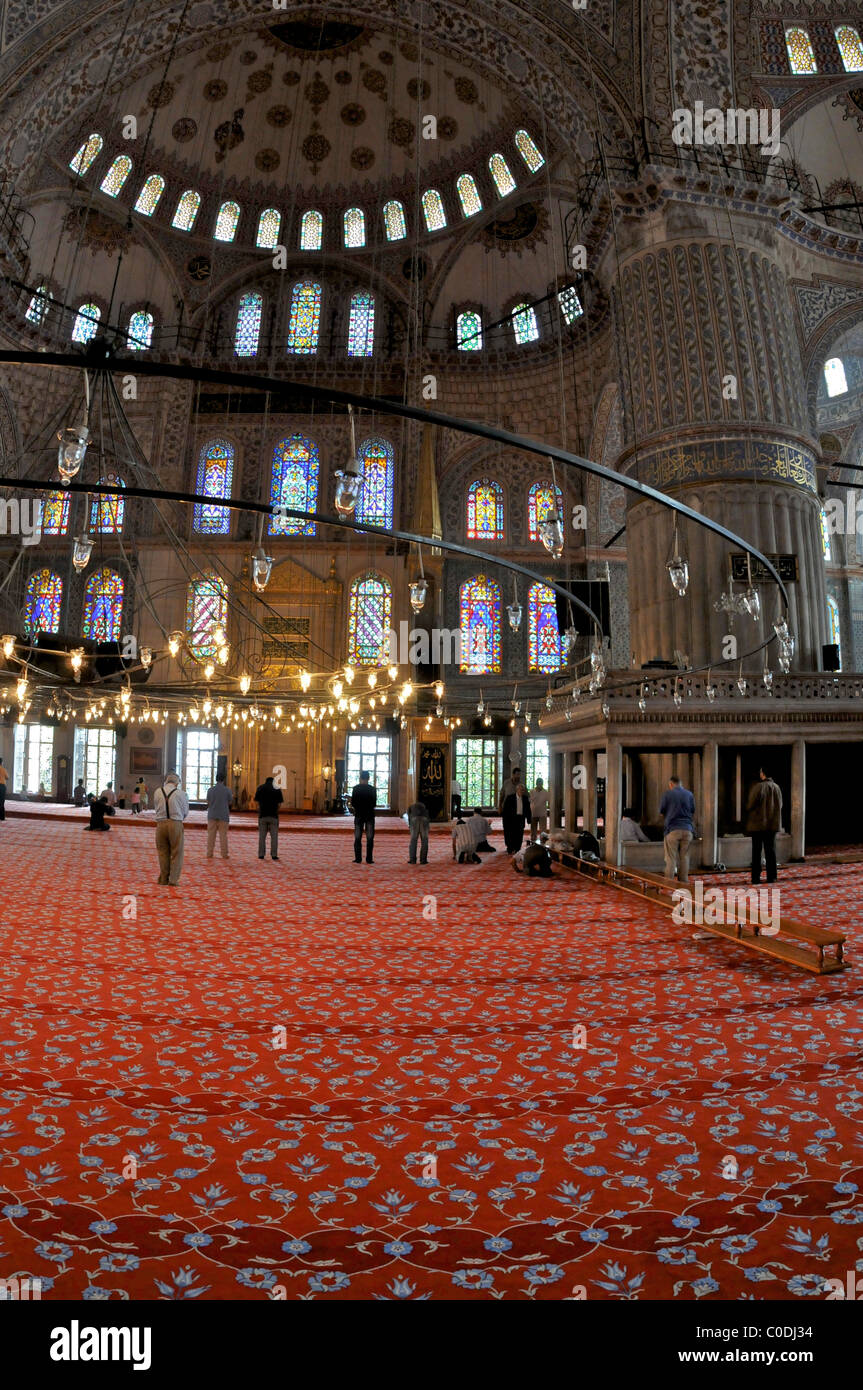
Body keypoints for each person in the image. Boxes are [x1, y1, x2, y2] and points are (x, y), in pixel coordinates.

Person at [746, 767, 783, 885]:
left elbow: (750, 805)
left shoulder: (758, 787)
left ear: (763, 774)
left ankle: (756, 878)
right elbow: (780, 805)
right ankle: (772, 877)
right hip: (772, 825)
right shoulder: (777, 788)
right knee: (771, 851)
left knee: (756, 852)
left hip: (758, 825)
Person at [153, 771, 189, 886]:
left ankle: (163, 879)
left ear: (166, 781)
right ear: (177, 783)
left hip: (160, 824)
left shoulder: (158, 792)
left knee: (162, 852)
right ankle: (173, 880)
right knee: (177, 852)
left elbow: (156, 808)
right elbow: (185, 811)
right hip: (175, 823)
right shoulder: (181, 793)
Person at [660, 775, 696, 885]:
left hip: (673, 829)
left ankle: (669, 883)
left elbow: (662, 810)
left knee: (671, 858)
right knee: (684, 857)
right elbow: (692, 810)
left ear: (671, 784)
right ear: (681, 784)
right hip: (688, 829)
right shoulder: (689, 794)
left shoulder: (668, 794)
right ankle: (683, 882)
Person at [254, 775, 283, 860]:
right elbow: (280, 804)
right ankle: (274, 855)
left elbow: (256, 802)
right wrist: (276, 810)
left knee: (262, 837)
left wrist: (260, 810)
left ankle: (261, 854)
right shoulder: (277, 789)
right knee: (274, 837)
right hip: (273, 816)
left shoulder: (260, 788)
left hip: (262, 815)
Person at [350, 770, 376, 864]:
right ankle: (369, 859)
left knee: (357, 838)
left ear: (360, 778)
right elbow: (374, 803)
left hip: (359, 815)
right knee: (369, 838)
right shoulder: (372, 789)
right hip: (369, 815)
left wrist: (359, 807)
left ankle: (358, 859)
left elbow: (353, 803)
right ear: (368, 778)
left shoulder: (355, 788)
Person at [206, 772, 233, 859]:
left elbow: (208, 802)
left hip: (212, 815)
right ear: (224, 779)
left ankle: (209, 853)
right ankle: (224, 854)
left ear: (216, 779)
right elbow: (230, 802)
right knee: (223, 836)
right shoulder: (227, 790)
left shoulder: (210, 790)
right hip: (223, 815)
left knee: (211, 836)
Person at [501, 778, 531, 855]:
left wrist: (529, 819)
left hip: (520, 818)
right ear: (517, 790)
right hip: (511, 819)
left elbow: (528, 809)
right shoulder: (510, 797)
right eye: (521, 790)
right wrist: (505, 820)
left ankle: (518, 848)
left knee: (519, 834)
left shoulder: (525, 798)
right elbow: (505, 810)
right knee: (510, 834)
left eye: (523, 790)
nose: (522, 791)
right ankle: (510, 848)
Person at [407, 798, 430, 865]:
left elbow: (409, 816)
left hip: (414, 820)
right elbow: (428, 817)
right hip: (424, 820)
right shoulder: (424, 806)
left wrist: (410, 825)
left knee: (413, 840)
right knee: (424, 840)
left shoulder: (411, 806)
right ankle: (423, 860)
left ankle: (412, 860)